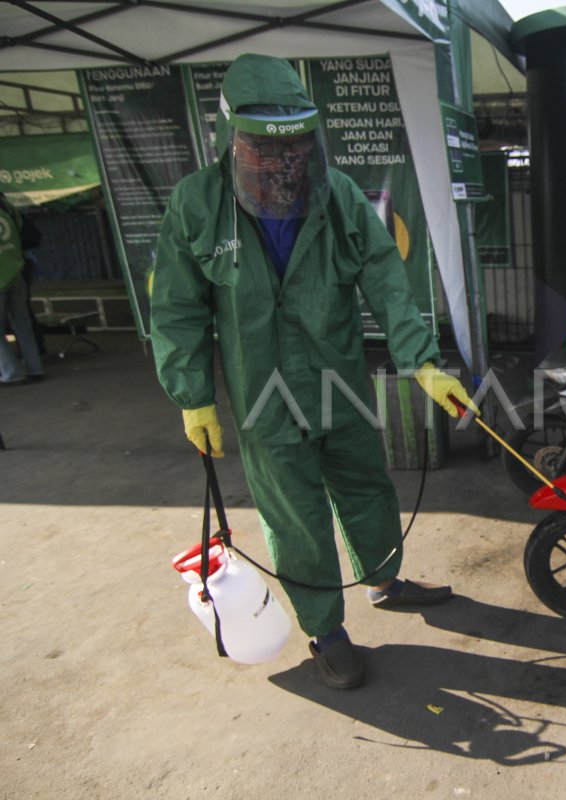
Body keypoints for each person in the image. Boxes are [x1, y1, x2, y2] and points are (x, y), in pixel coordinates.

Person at [149, 54, 474, 690]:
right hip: (263, 399)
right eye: (264, 150)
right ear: (229, 136)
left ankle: (384, 581)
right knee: (296, 517)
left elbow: (385, 275)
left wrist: (422, 360)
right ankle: (326, 632)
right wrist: (194, 398)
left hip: (339, 384)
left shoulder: (339, 196)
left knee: (367, 488)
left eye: (295, 146)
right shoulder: (198, 204)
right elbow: (178, 309)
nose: (281, 164)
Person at [0, 192, 45, 386]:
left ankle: (11, 374)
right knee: (23, 325)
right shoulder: (6, 207)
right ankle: (35, 369)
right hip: (16, 271)